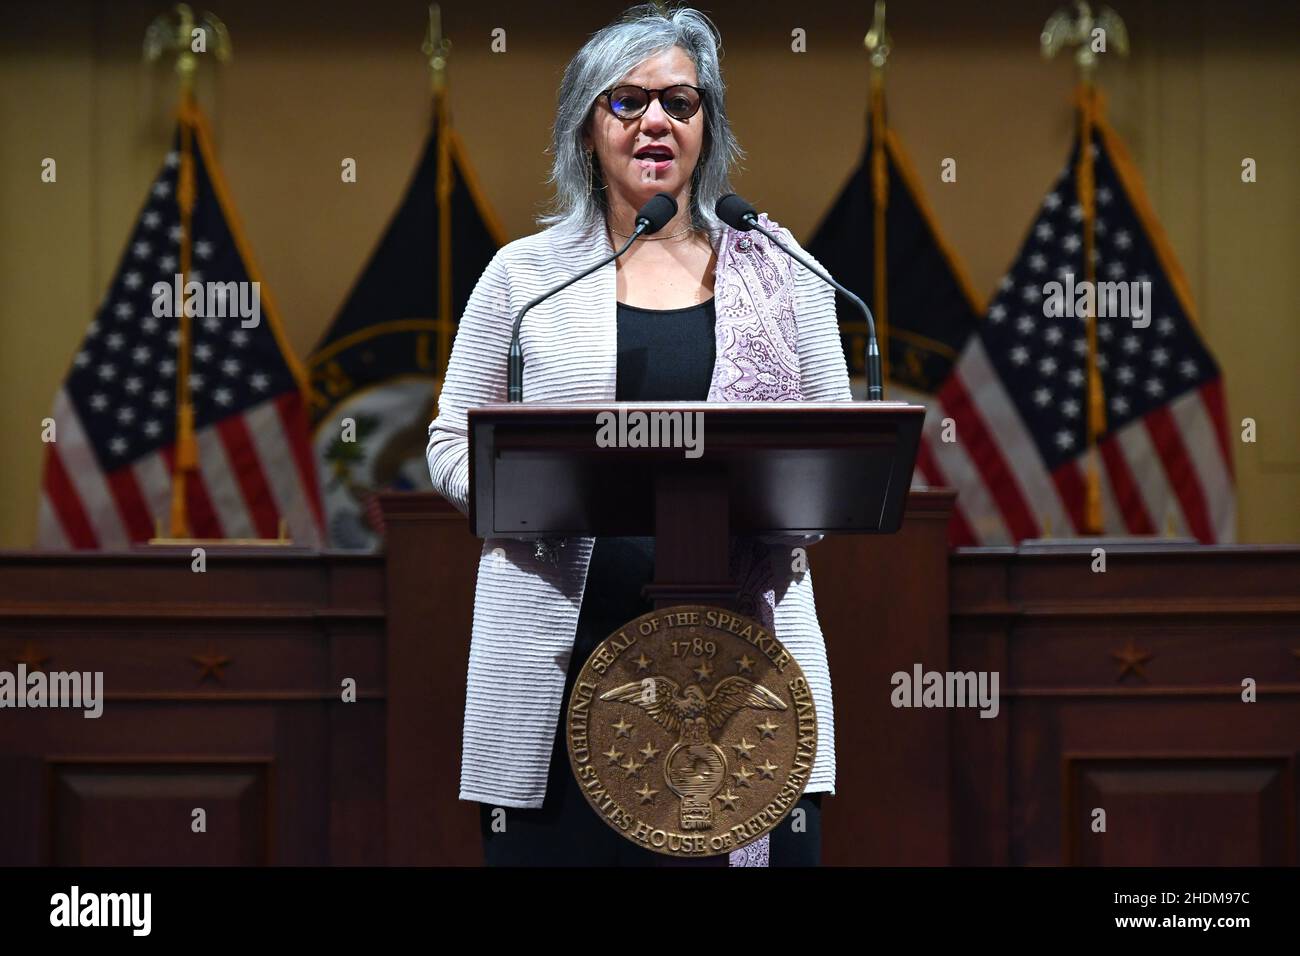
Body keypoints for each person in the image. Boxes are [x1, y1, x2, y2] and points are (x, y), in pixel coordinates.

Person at [425, 3, 851, 867]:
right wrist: (529, 494)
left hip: (743, 668)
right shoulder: (528, 276)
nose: (656, 119)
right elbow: (447, 442)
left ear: (706, 127)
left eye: (681, 103)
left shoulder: (782, 269)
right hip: (565, 657)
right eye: (627, 101)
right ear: (588, 126)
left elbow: (836, 449)